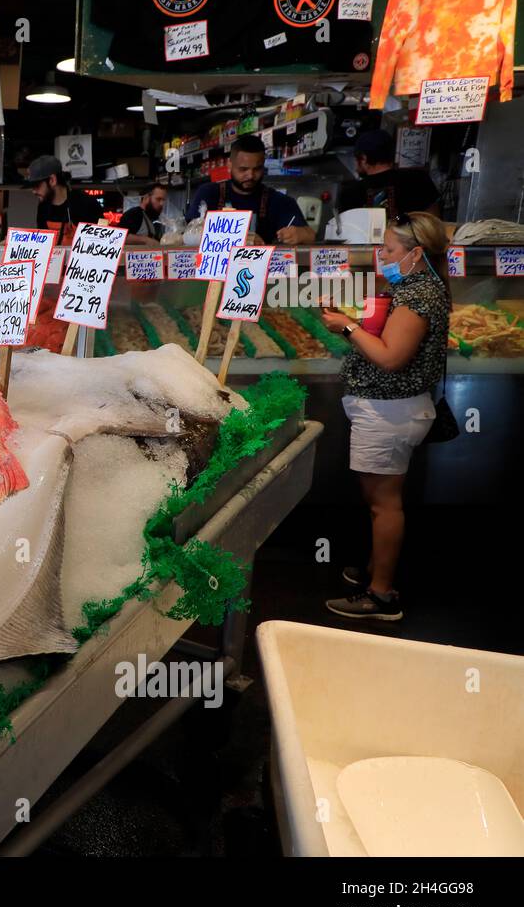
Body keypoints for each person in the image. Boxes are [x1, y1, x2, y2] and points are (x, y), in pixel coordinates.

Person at [318, 212, 451, 622]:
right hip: (388, 410)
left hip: (391, 412)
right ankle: (378, 568)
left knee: (385, 505)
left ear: (415, 254)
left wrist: (347, 328)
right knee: (378, 498)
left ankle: (381, 595)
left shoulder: (419, 296)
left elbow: (392, 358)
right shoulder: (416, 287)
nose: (382, 255)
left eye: (390, 249)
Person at [185, 135, 316, 245]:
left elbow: (311, 235)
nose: (251, 175)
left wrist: (300, 234)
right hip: (214, 272)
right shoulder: (208, 194)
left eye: (257, 169)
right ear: (230, 166)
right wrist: (238, 238)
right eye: (243, 169)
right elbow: (188, 235)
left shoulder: (279, 201)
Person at [338, 129, 441, 219]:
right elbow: (433, 220)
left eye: (356, 159)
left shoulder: (351, 193)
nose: (355, 166)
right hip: (414, 240)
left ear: (364, 159)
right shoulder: (418, 179)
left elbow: (346, 230)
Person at [24, 154, 103, 246]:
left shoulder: (87, 204)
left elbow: (101, 244)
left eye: (36, 185)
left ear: (52, 180)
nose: (33, 191)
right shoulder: (43, 206)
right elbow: (42, 245)